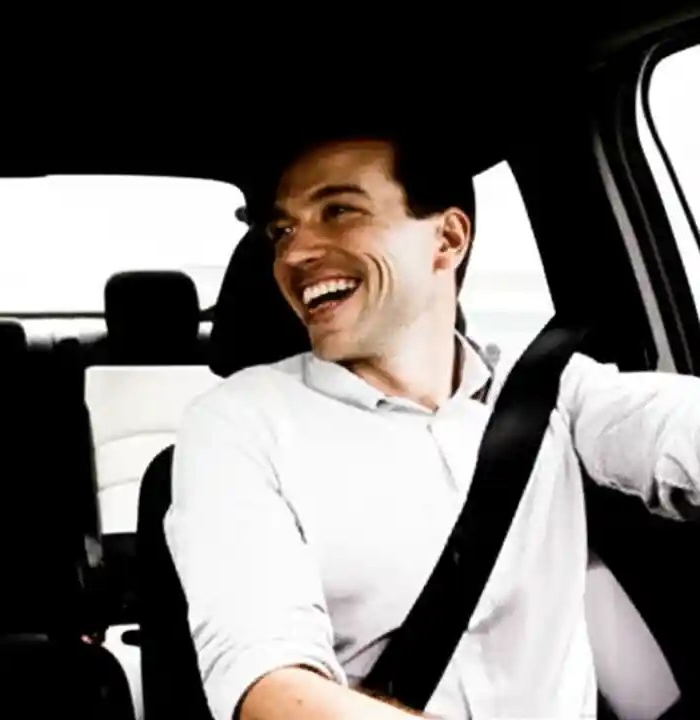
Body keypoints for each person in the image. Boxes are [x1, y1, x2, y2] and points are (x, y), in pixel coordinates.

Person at [164, 131, 700, 719]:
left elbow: (675, 427)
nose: (293, 255)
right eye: (283, 230)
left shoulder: (553, 392)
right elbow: (273, 692)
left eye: (339, 211)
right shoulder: (240, 423)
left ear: (447, 239)